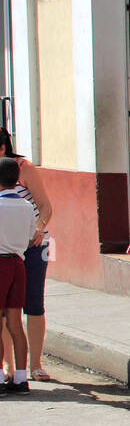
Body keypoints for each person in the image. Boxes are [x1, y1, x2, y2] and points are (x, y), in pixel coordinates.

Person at [0, 129, 53, 385]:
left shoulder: (24, 168)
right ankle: (8, 364)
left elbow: (45, 205)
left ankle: (35, 364)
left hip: (34, 243)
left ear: (2, 149)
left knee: (33, 301)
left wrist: (40, 228)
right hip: (5, 248)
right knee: (5, 309)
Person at [0, 156, 36, 394]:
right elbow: (32, 236)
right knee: (15, 324)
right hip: (18, 264)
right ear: (18, 180)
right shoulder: (26, 206)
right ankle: (21, 378)